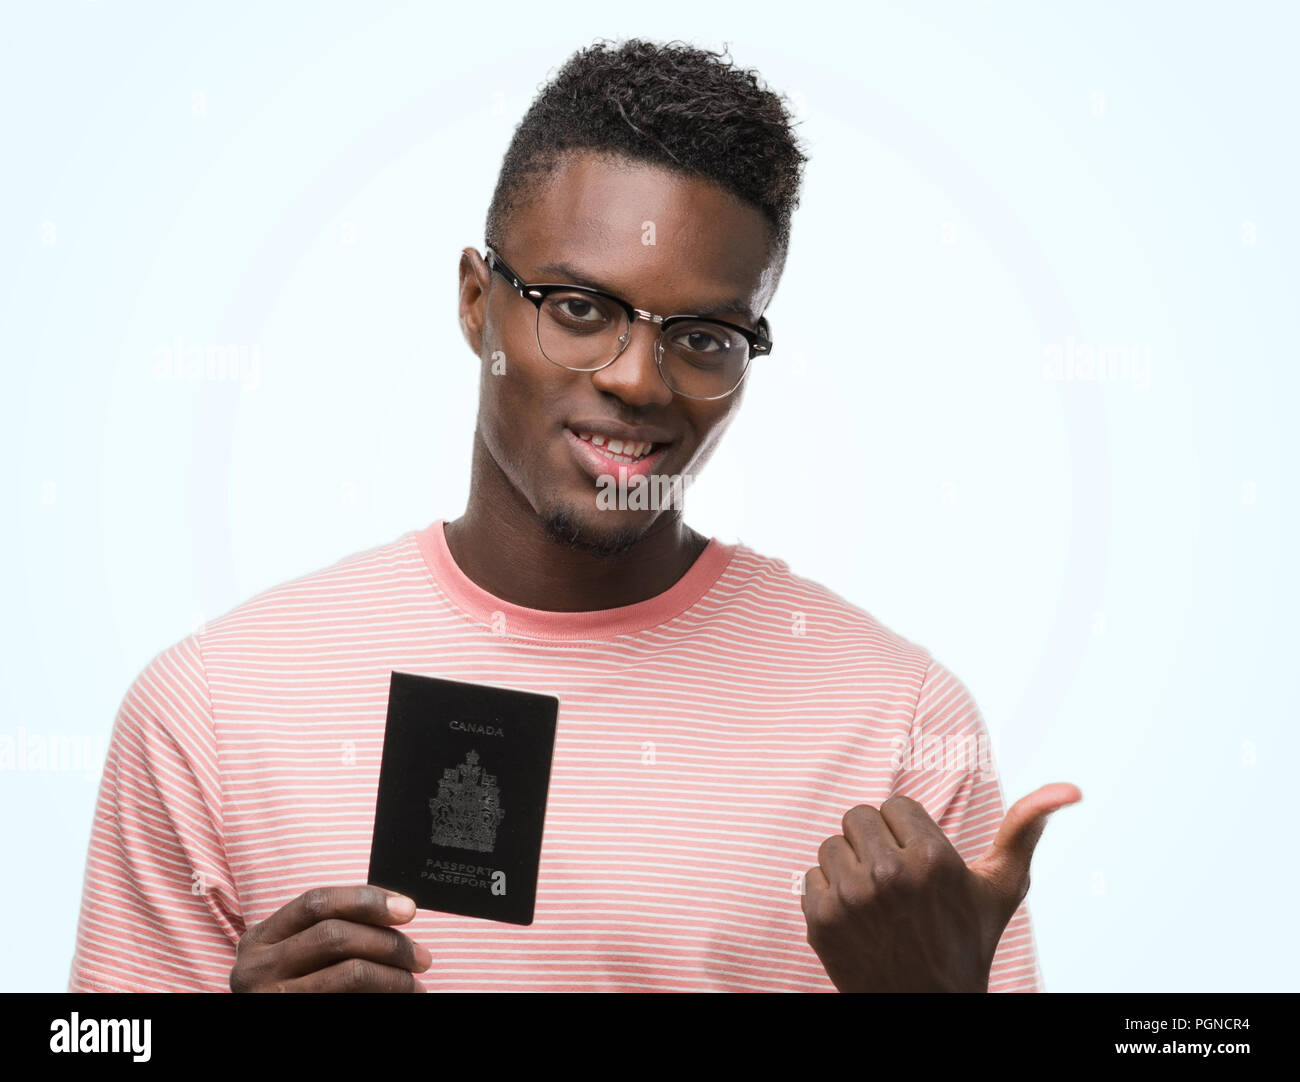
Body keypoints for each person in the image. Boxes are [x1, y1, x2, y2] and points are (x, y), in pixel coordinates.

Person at [68, 37, 1080, 994]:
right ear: (476, 302)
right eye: (581, 309)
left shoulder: (896, 729)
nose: (639, 379)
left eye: (703, 335)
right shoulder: (209, 710)